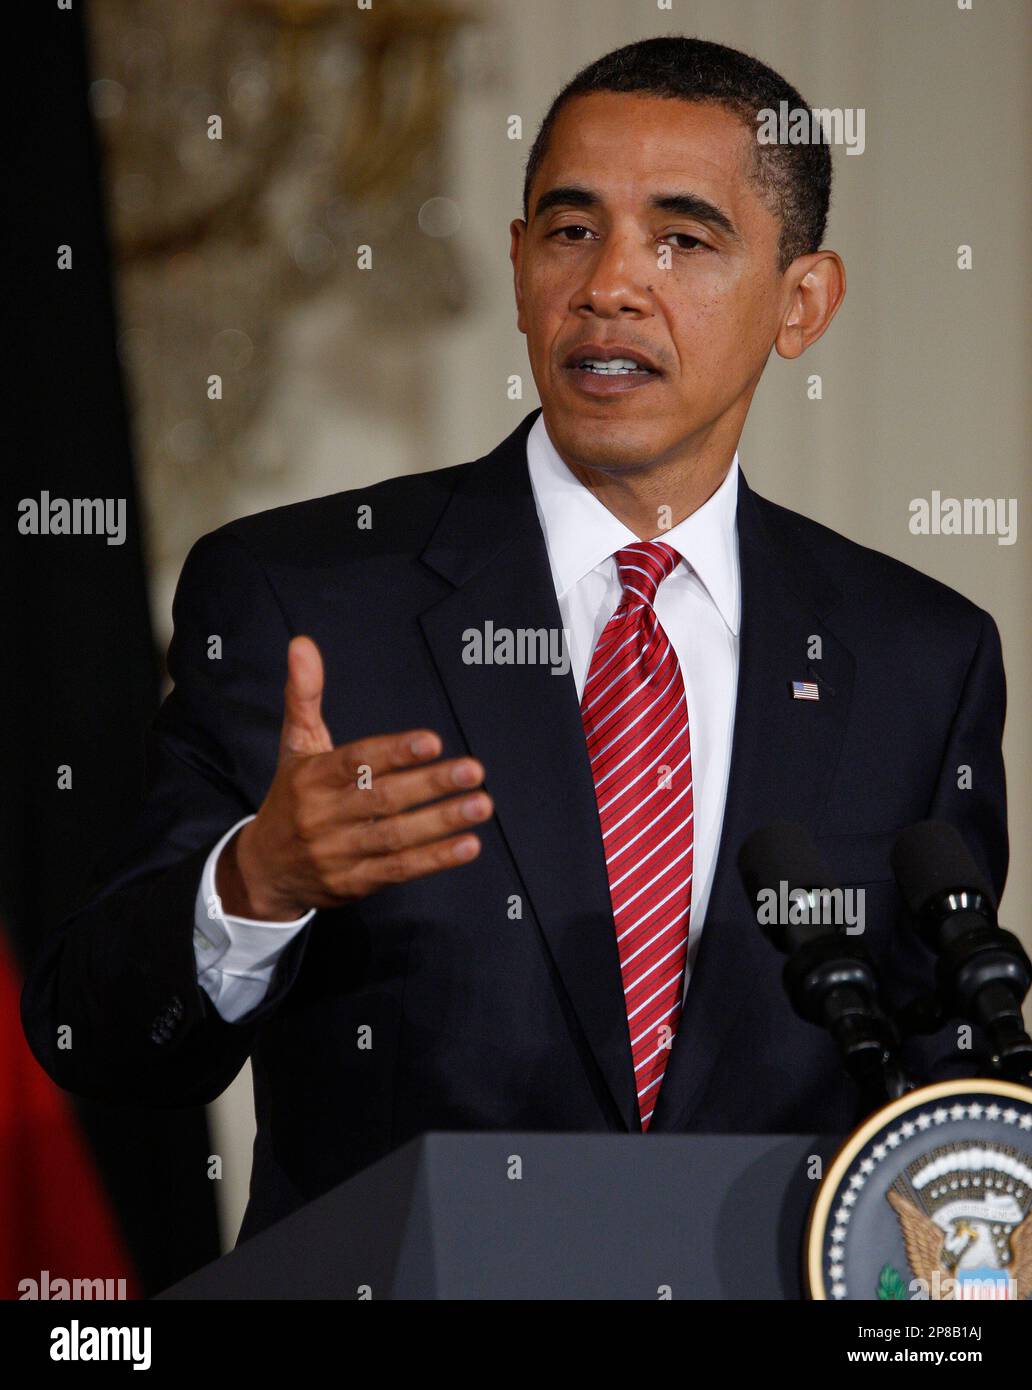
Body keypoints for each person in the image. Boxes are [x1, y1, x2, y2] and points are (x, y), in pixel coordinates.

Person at [22, 36, 1006, 1243]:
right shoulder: (305, 601)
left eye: (683, 239)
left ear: (803, 301)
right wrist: (256, 882)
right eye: (570, 230)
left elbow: (946, 1096)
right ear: (517, 262)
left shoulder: (919, 658)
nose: (610, 287)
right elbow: (92, 1035)